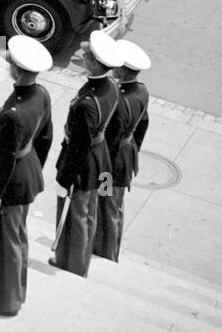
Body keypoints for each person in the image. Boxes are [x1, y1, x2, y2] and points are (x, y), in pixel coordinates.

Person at [0, 36, 53, 317]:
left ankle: (3, 301)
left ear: (17, 71)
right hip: (27, 173)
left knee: (4, 242)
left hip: (10, 183)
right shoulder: (41, 94)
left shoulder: (12, 115)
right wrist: (34, 169)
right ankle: (15, 292)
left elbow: (4, 161)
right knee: (17, 238)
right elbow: (45, 137)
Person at [51, 31, 121, 278]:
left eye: (87, 56)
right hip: (98, 157)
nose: (82, 56)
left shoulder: (87, 103)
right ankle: (72, 260)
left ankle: (73, 266)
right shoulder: (111, 85)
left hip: (83, 164)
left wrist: (64, 179)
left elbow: (78, 147)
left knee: (77, 216)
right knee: (87, 213)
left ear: (95, 63)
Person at [93, 40, 151, 263]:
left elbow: (111, 140)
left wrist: (100, 166)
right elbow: (143, 124)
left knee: (107, 206)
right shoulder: (142, 91)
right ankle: (110, 249)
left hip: (111, 166)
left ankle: (106, 254)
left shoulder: (119, 100)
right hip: (126, 157)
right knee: (114, 206)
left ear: (123, 70)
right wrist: (132, 149)